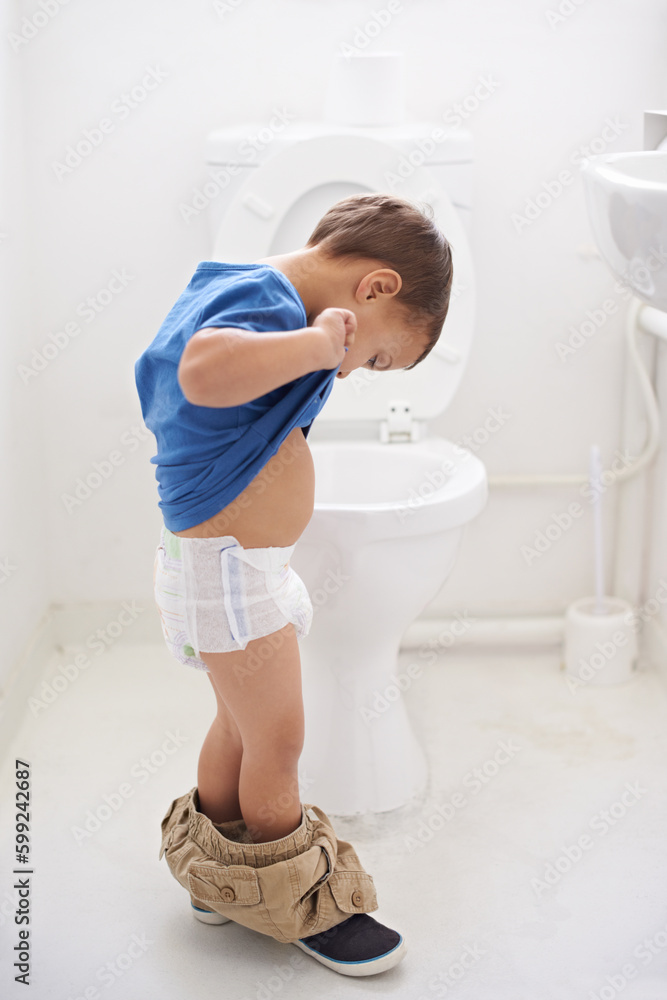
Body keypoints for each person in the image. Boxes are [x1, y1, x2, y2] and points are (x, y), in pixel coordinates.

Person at [134, 191, 453, 976]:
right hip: (230, 576)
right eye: (376, 357)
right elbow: (202, 371)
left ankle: (216, 878)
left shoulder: (269, 304)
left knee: (241, 733)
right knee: (278, 743)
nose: (358, 368)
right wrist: (315, 347)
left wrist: (313, 351)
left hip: (233, 570)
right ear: (374, 289)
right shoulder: (268, 302)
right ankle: (296, 904)